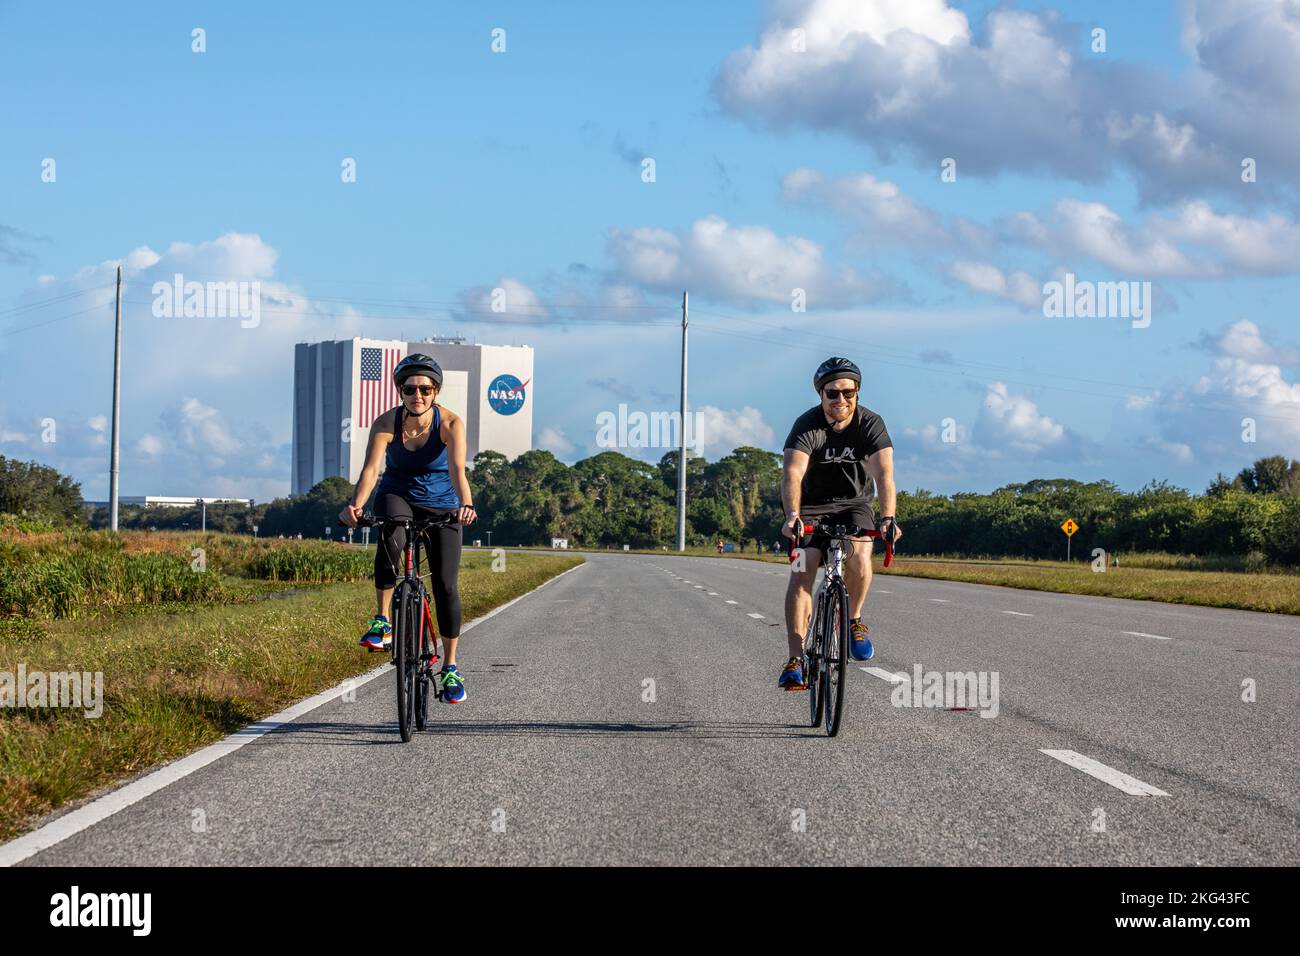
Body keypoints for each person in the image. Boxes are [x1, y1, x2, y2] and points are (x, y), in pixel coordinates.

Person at [338, 354, 478, 704]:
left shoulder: (450, 424)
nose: (418, 394)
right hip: (397, 494)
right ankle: (382, 620)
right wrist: (355, 505)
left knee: (446, 584)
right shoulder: (386, 423)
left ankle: (450, 667)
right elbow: (371, 471)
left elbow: (458, 470)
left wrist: (466, 505)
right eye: (410, 388)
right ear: (400, 390)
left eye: (426, 388)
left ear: (436, 391)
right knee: (390, 535)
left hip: (442, 502)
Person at [777, 357, 901, 691]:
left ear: (857, 392)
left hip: (855, 505)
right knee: (802, 570)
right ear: (822, 395)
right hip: (810, 508)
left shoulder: (871, 424)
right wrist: (793, 517)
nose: (841, 400)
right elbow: (792, 473)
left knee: (861, 555)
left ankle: (854, 619)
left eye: (848, 392)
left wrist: (888, 518)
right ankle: (795, 659)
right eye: (833, 393)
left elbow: (884, 474)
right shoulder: (807, 425)